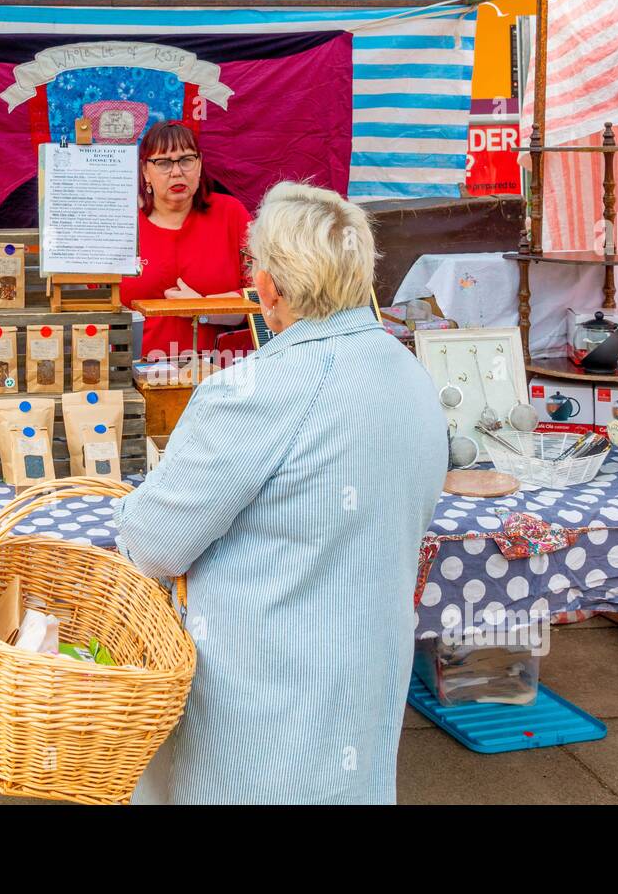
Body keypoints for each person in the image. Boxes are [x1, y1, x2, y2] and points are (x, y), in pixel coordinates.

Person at [115, 181, 447, 804]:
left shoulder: (256, 389)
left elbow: (153, 543)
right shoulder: (409, 371)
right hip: (367, 667)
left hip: (261, 685)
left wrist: (130, 504)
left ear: (269, 287)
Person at [121, 121, 252, 360]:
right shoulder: (123, 225)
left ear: (199, 164)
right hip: (134, 372)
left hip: (219, 372)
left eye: (186, 160)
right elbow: (96, 305)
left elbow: (261, 296)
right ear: (144, 171)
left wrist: (201, 306)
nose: (177, 171)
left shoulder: (230, 214)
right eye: (163, 163)